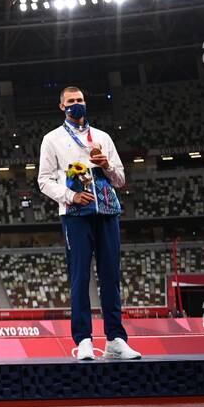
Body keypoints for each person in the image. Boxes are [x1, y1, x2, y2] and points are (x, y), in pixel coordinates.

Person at [37, 86, 140, 361]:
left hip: (107, 211)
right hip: (75, 215)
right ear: (62, 106)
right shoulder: (52, 139)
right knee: (80, 277)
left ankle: (115, 339)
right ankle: (83, 339)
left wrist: (106, 165)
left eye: (80, 99)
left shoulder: (103, 137)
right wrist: (70, 196)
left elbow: (120, 179)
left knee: (111, 276)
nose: (76, 104)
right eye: (71, 101)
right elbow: (44, 180)